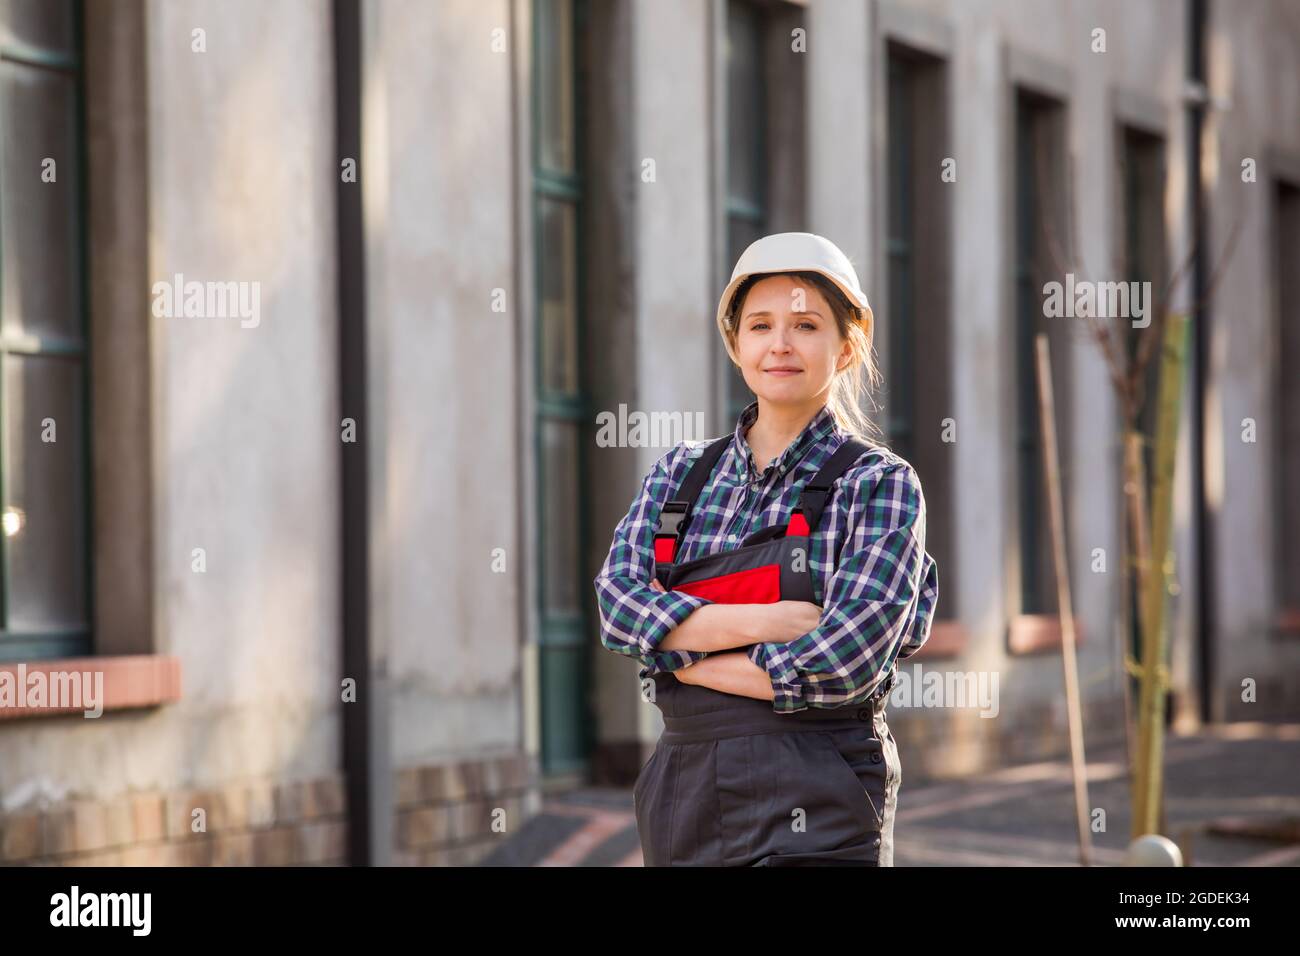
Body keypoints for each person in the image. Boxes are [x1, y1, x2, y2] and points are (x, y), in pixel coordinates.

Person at [593, 232, 939, 866]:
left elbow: (842, 662)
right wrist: (767, 623)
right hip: (684, 794)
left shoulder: (879, 485)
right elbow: (618, 606)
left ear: (846, 345)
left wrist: (674, 655)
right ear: (736, 344)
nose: (779, 344)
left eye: (805, 324)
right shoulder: (679, 477)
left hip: (822, 789)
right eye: (760, 325)